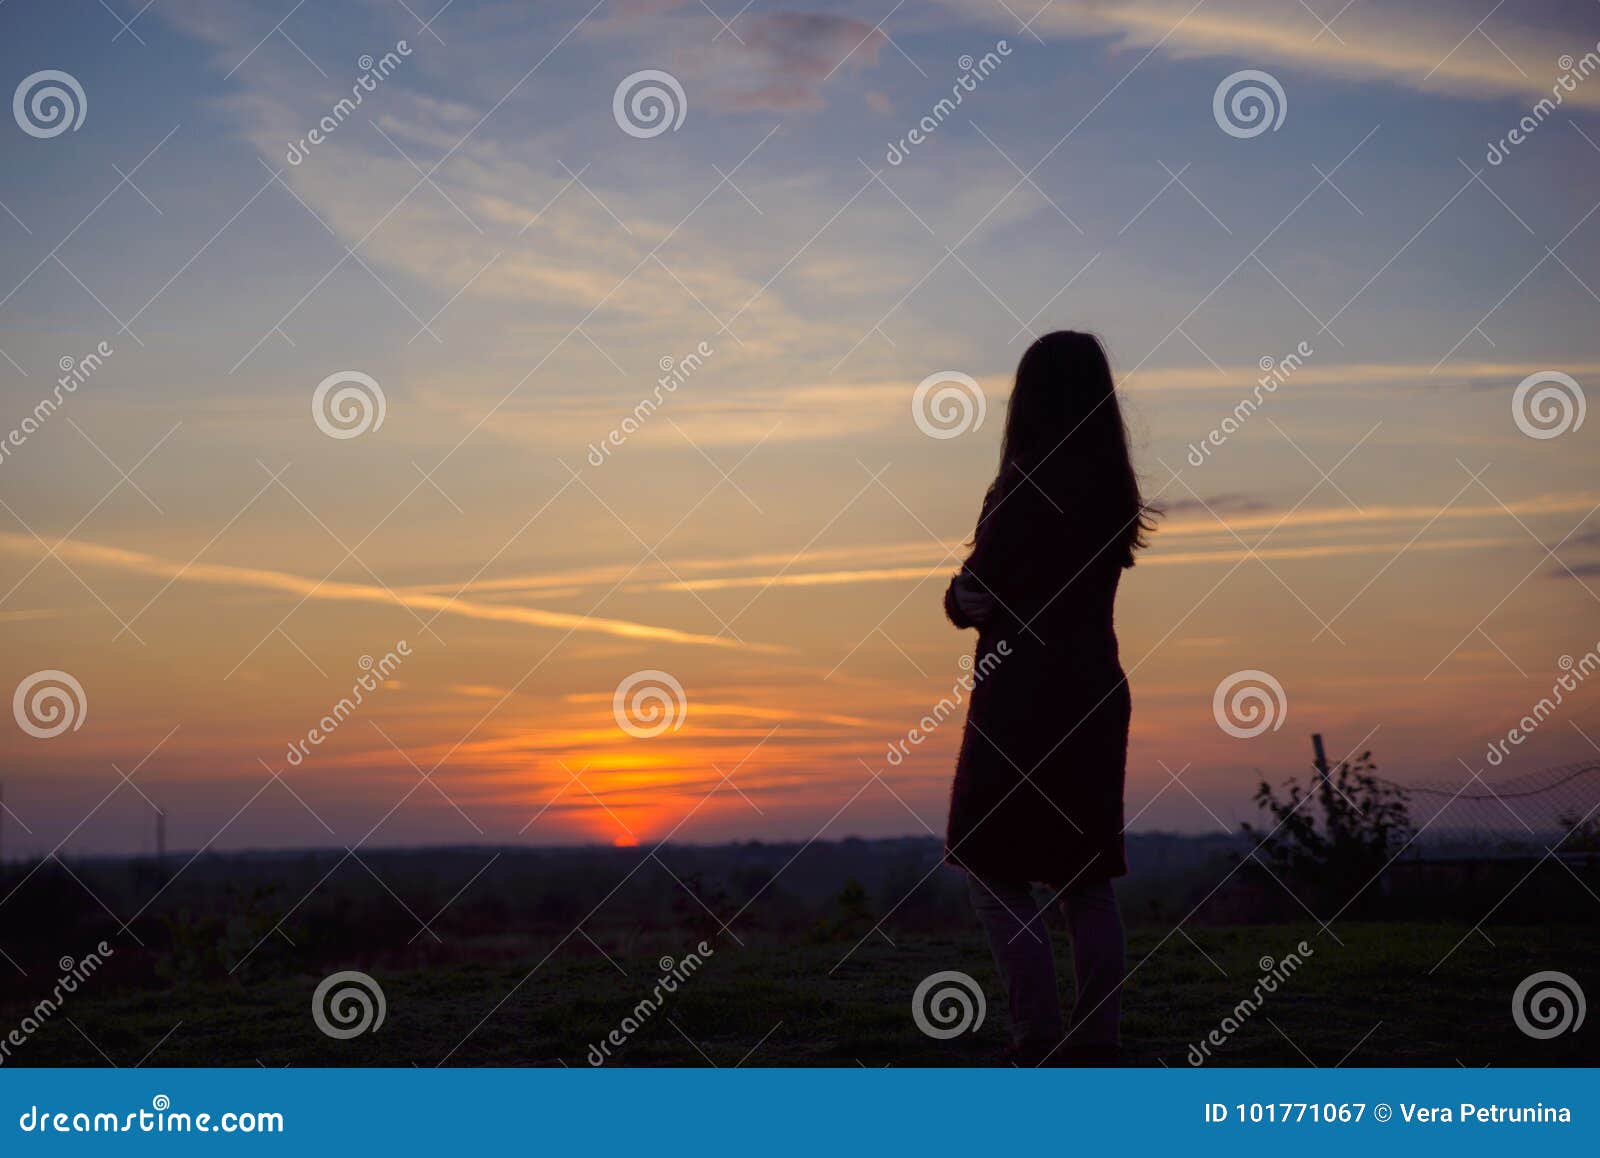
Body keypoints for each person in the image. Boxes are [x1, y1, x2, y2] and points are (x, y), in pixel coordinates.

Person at [942, 330, 1157, 1067]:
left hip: (1023, 695)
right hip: (1095, 689)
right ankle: (1098, 1044)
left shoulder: (1024, 487)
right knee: (1085, 877)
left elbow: (978, 589)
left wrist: (955, 597)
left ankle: (1036, 1037)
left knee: (991, 862)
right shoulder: (1112, 488)